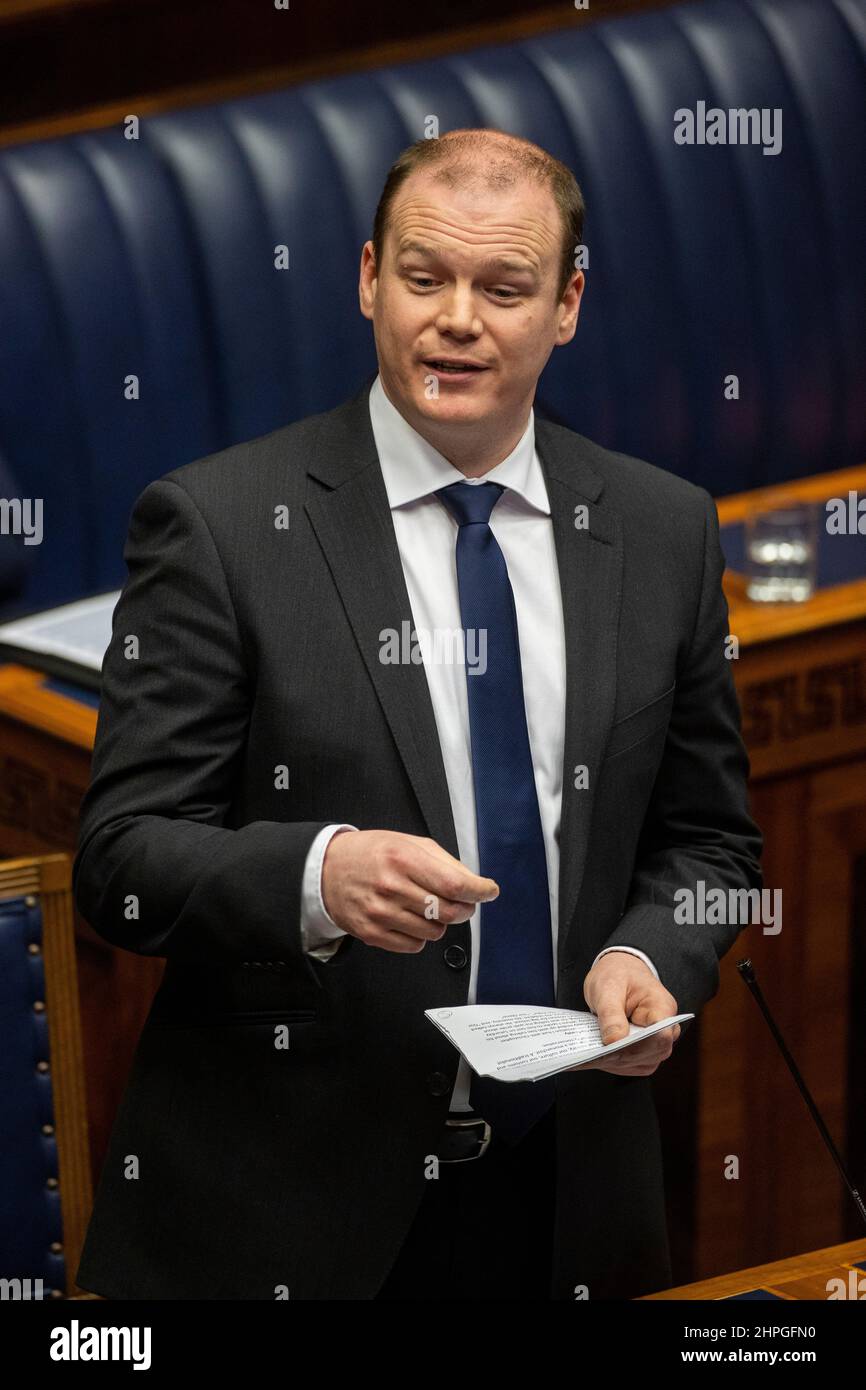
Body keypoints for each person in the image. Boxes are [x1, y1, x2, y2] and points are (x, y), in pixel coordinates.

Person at [73, 127, 762, 1301]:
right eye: (421, 276)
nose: (455, 319)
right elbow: (119, 862)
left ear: (567, 306)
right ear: (364, 278)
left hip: (565, 1203)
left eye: (502, 289)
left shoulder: (661, 532)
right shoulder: (222, 527)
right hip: (291, 1211)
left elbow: (711, 845)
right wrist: (316, 875)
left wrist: (647, 953)